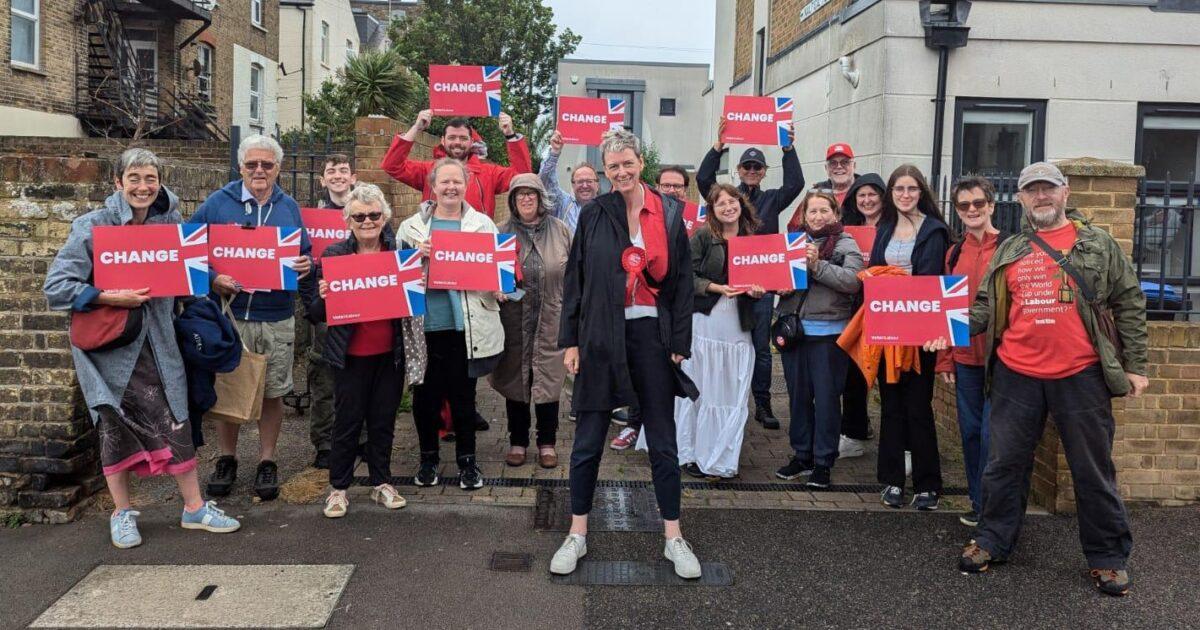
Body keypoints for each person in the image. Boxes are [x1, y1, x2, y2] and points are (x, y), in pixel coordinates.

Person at [953, 162, 1147, 597]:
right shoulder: (1011, 249)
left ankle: (1107, 558)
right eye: (1031, 191)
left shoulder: (1097, 244)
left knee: (1092, 470)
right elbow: (984, 307)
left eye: (1048, 189)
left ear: (1065, 192)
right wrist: (944, 330)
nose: (1040, 197)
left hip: (1081, 375)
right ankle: (992, 540)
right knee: (1003, 465)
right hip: (1016, 375)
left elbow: (1130, 301)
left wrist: (1136, 365)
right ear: (1020, 198)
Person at [44, 148, 240, 548]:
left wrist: (212, 280)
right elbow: (57, 288)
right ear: (118, 182)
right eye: (134, 178)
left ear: (160, 181)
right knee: (113, 427)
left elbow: (185, 276)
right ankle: (122, 513)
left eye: (150, 178)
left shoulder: (172, 225)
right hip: (112, 351)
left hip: (161, 346)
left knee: (176, 421)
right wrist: (110, 297)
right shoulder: (92, 227)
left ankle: (194, 508)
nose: (143, 186)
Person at [552, 128, 701, 579]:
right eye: (612, 166)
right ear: (605, 169)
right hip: (600, 335)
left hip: (651, 337)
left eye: (627, 163)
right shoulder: (594, 213)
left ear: (641, 163)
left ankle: (673, 535)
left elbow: (682, 285)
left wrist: (678, 344)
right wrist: (571, 340)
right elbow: (575, 280)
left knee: (662, 438)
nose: (620, 172)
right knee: (588, 439)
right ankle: (577, 531)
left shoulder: (670, 212)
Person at [193, 135, 313, 501]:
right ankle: (227, 458)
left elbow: (304, 254)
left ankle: (267, 460)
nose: (259, 171)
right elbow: (189, 249)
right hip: (229, 316)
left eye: (267, 165)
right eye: (252, 164)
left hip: (275, 314)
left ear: (277, 168)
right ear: (241, 166)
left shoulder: (289, 207)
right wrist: (214, 278)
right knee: (227, 388)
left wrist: (306, 265)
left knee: (274, 391)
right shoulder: (217, 204)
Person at [308, 185, 415, 518]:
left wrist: (418, 273)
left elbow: (413, 300)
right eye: (359, 216)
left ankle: (381, 482)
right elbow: (314, 313)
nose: (367, 221)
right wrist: (324, 296)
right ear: (348, 220)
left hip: (389, 353)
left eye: (374, 214)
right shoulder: (335, 255)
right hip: (350, 355)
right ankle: (338, 489)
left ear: (384, 217)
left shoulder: (400, 250)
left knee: (383, 421)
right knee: (347, 423)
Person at [399, 158, 505, 491]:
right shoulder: (411, 227)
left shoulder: (482, 224)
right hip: (425, 326)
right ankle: (428, 459)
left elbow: (496, 272)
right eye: (444, 182)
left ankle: (467, 463)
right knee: (425, 398)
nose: (450, 188)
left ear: (466, 184)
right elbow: (397, 278)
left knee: (464, 398)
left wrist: (499, 286)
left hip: (465, 328)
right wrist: (418, 257)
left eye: (456, 182)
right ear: (433, 186)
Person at [697, 119, 804, 431]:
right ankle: (728, 397)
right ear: (739, 170)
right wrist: (719, 146)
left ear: (764, 171)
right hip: (727, 283)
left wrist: (788, 148)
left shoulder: (772, 199)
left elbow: (796, 184)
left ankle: (763, 403)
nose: (753, 171)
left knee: (759, 347)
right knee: (728, 343)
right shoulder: (726, 197)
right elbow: (704, 178)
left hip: (760, 285)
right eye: (748, 167)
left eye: (758, 167)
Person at [663, 183, 763, 480]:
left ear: (741, 205)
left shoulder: (754, 241)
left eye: (733, 201)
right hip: (706, 323)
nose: (728, 207)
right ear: (712, 210)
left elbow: (763, 280)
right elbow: (685, 276)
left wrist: (759, 291)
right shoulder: (703, 236)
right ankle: (690, 452)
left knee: (731, 390)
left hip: (738, 325)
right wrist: (715, 286)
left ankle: (722, 454)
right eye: (721, 204)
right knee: (702, 389)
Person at [869, 164, 950, 511]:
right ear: (891, 193)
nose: (905, 195)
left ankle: (928, 483)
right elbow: (873, 271)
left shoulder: (935, 230)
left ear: (921, 193)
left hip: (921, 332)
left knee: (918, 406)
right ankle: (892, 481)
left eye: (911, 189)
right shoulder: (884, 228)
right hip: (889, 329)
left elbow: (931, 278)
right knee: (890, 405)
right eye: (899, 189)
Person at [774, 192, 863, 487]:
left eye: (824, 210)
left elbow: (852, 281)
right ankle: (802, 455)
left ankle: (824, 461)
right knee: (798, 398)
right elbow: (776, 278)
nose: (817, 216)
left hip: (829, 334)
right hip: (796, 332)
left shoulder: (845, 243)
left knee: (826, 400)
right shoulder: (791, 242)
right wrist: (781, 287)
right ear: (804, 215)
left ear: (835, 214)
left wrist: (816, 266)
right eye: (812, 211)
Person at [934, 176, 1006, 527]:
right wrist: (946, 357)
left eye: (978, 203)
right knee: (971, 434)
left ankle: (996, 510)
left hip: (1004, 360)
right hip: (965, 359)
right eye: (964, 205)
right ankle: (978, 505)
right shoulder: (954, 252)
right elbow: (948, 309)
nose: (972, 210)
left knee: (996, 438)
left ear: (991, 205)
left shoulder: (1010, 247)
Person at [610, 165, 695, 451]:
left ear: (686, 189)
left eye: (678, 186)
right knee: (637, 376)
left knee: (661, 385)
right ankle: (634, 425)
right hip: (633, 311)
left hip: (670, 313)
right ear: (657, 186)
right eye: (666, 185)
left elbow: (685, 278)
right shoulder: (644, 215)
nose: (672, 190)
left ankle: (666, 439)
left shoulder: (694, 219)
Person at [489, 174, 571, 468]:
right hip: (514, 320)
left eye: (531, 194)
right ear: (512, 200)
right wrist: (495, 287)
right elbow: (489, 274)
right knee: (517, 380)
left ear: (540, 199)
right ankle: (518, 441)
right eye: (520, 194)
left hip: (552, 317)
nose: (526, 199)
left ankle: (547, 442)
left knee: (548, 381)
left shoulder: (560, 231)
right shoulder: (501, 232)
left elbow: (574, 274)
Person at [382, 109, 532, 218]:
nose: (457, 143)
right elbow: (392, 165)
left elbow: (523, 175)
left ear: (472, 142)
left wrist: (510, 134)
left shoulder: (489, 173)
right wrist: (416, 128)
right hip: (436, 246)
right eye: (452, 137)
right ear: (443, 140)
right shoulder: (428, 170)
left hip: (477, 248)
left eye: (463, 138)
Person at [309, 153, 357, 469]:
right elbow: (301, 259)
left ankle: (361, 439)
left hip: (361, 304)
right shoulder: (311, 217)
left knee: (358, 376)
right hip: (325, 306)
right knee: (323, 378)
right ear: (323, 180)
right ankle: (324, 443)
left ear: (353, 177)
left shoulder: (367, 209)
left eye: (343, 170)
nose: (338, 175)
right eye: (331, 171)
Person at [835, 172, 887, 459]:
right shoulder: (848, 229)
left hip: (888, 309)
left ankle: (898, 443)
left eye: (872, 194)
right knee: (853, 375)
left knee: (890, 378)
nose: (867, 200)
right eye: (861, 195)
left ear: (882, 196)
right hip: (854, 308)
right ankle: (853, 433)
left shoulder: (894, 227)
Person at [539, 130, 599, 232]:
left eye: (589, 181)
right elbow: (545, 181)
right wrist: (554, 153)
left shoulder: (607, 208)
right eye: (580, 182)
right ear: (573, 185)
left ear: (597, 184)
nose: (585, 185)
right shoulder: (563, 204)